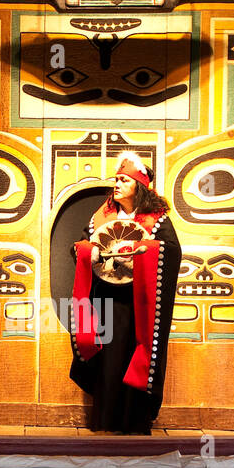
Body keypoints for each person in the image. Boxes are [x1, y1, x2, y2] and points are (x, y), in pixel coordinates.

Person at [69, 152, 181, 434]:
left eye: (123, 180)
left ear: (138, 186)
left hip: (139, 303)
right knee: (107, 358)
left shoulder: (156, 220)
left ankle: (134, 422)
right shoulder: (101, 216)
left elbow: (171, 251)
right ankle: (106, 420)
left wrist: (143, 255)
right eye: (116, 180)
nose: (116, 184)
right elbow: (80, 245)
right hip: (105, 298)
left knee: (136, 354)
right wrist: (89, 251)